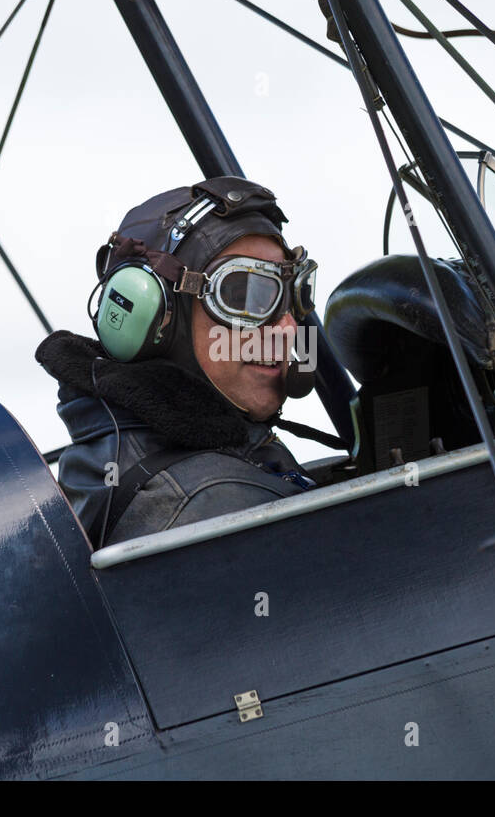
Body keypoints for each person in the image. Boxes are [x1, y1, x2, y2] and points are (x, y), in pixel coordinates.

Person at [36, 176, 324, 547]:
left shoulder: (119, 454)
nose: (286, 329)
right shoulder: (214, 508)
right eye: (243, 295)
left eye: (291, 295)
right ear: (156, 316)